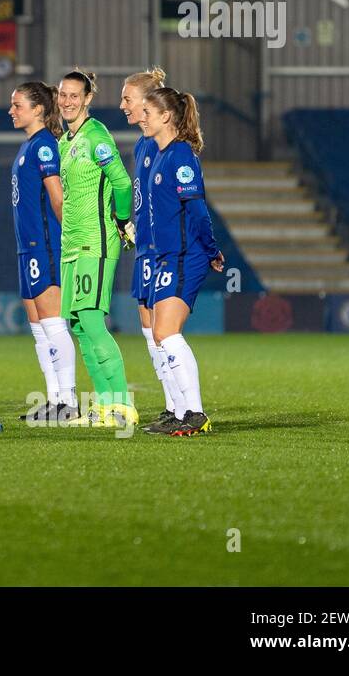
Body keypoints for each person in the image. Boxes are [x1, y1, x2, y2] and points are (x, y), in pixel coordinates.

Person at [140, 87, 224, 436]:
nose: (142, 118)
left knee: (165, 332)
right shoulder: (161, 155)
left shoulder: (181, 156)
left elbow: (198, 210)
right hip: (167, 256)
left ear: (166, 116)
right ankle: (178, 411)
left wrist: (211, 249)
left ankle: (196, 413)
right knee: (160, 334)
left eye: (148, 112)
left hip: (186, 255)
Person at [56, 68, 136, 428]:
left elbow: (122, 182)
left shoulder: (96, 137)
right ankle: (104, 408)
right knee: (78, 325)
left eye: (75, 95)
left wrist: (122, 220)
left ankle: (122, 406)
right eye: (63, 95)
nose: (67, 102)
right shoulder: (64, 141)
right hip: (71, 245)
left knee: (90, 319)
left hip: (95, 241)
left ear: (87, 98)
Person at [8, 81, 77, 423]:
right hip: (28, 247)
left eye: (17, 105)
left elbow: (58, 197)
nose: (11, 111)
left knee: (52, 322)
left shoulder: (45, 145)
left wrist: (72, 239)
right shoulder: (30, 145)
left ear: (37, 109)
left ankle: (69, 400)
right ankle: (54, 400)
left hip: (46, 244)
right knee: (38, 327)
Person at [120, 67, 181, 428]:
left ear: (147, 102)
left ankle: (183, 407)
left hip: (163, 249)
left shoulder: (167, 145)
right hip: (145, 245)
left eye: (127, 99)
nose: (123, 105)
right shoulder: (143, 143)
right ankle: (173, 405)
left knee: (162, 329)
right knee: (148, 326)